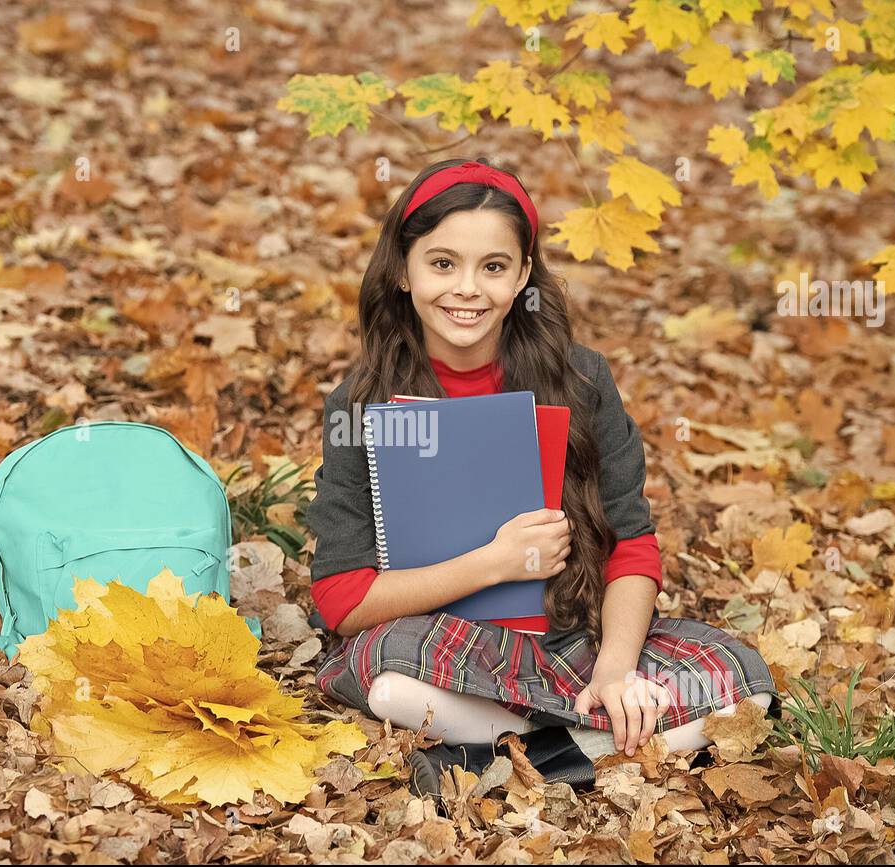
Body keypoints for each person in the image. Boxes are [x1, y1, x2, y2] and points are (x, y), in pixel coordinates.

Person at [305, 156, 780, 809]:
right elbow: (341, 597)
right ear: (402, 272)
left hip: (568, 640)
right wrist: (494, 563)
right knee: (388, 676)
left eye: (493, 267)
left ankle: (507, 748)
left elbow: (632, 547)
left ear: (524, 274)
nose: (467, 289)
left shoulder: (583, 382)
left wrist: (615, 669)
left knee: (745, 682)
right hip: (441, 643)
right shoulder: (361, 405)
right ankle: (591, 741)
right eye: (442, 264)